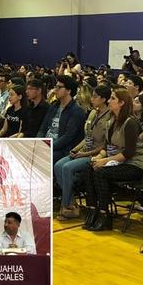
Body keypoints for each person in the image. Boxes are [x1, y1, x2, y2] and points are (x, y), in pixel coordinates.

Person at [83, 88, 143, 231]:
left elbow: (129, 153)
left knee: (100, 172)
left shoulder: (130, 122)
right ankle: (92, 209)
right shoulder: (111, 120)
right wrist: (99, 157)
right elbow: (107, 145)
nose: (109, 101)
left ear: (122, 103)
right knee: (89, 167)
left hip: (133, 164)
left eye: (113, 98)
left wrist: (105, 161)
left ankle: (105, 215)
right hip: (116, 160)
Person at [54, 84, 111, 220]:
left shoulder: (109, 117)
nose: (92, 99)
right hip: (85, 150)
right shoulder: (92, 113)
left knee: (67, 168)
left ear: (103, 99)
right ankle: (72, 202)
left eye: (95, 96)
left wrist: (83, 154)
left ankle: (65, 206)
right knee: (58, 165)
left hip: (97, 154)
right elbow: (87, 138)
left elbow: (104, 144)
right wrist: (76, 149)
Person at [39, 75, 87, 164]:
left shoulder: (77, 111)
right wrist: (38, 143)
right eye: (55, 86)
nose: (55, 90)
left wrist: (48, 146)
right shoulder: (54, 106)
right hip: (47, 144)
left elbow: (68, 137)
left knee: (41, 158)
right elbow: (43, 128)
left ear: (68, 91)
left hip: (62, 149)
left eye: (59, 87)